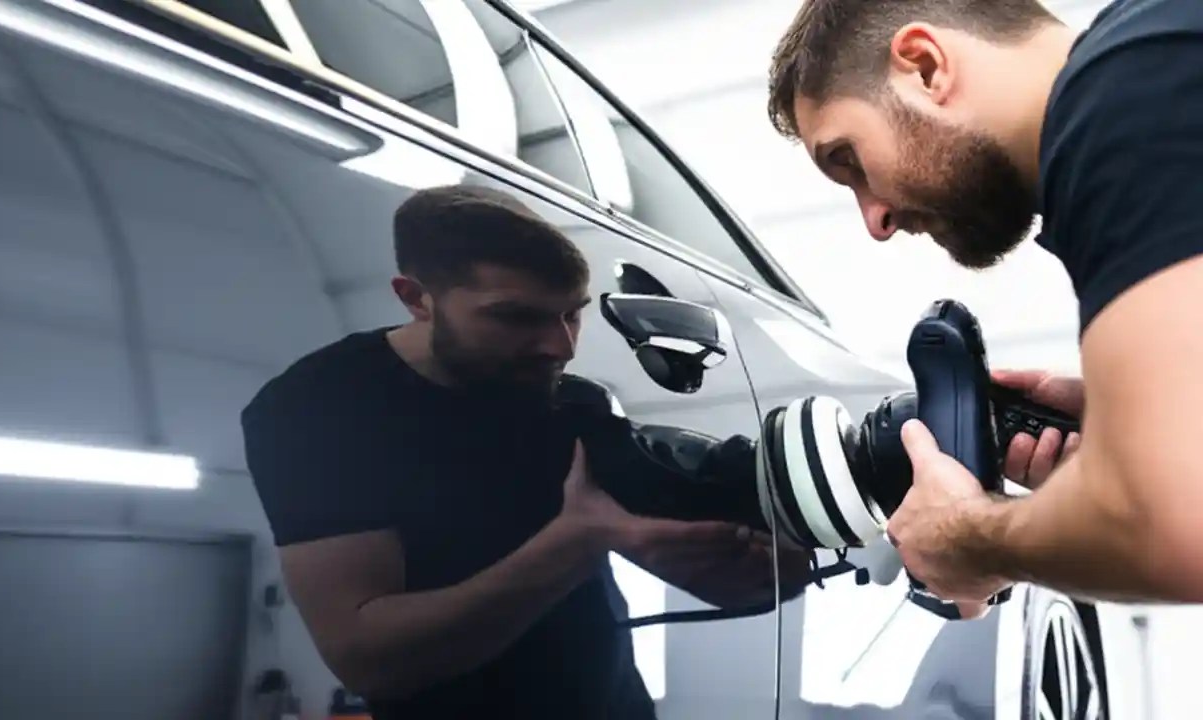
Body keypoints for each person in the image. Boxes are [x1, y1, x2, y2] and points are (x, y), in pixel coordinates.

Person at [239, 184, 781, 719]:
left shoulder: (564, 398)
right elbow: (368, 660)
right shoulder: (317, 409)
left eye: (571, 313)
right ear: (414, 297)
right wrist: (578, 543)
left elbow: (665, 529)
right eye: (516, 317)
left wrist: (750, 558)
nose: (561, 348)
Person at [765, 0, 1203, 606]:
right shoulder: (1160, 70)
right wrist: (1143, 414)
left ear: (924, 66)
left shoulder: (1119, 103)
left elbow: (1175, 522)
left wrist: (968, 539)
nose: (875, 220)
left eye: (850, 161)